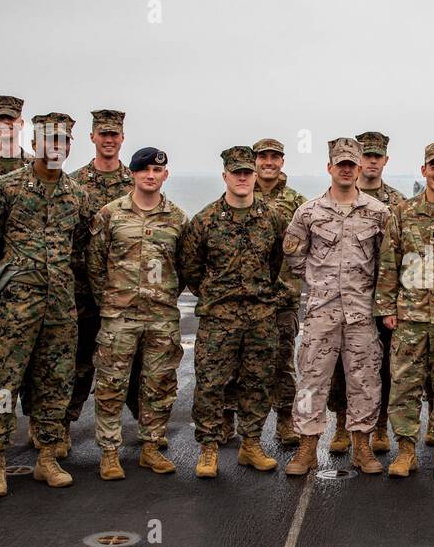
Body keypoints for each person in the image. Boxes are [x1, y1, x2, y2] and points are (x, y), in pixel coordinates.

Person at [0, 112, 93, 496]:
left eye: (63, 142)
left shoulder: (76, 196)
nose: (56, 148)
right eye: (49, 141)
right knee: (4, 384)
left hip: (60, 306)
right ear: (37, 143)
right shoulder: (6, 190)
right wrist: (13, 279)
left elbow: (81, 248)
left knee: (55, 381)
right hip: (16, 307)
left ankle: (46, 456)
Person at [179, 146, 290, 478]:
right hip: (218, 319)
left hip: (260, 317)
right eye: (236, 173)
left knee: (257, 382)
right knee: (211, 384)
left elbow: (277, 264)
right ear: (225, 176)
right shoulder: (204, 220)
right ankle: (209, 449)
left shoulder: (272, 218)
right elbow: (191, 269)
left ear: (255, 177)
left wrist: (260, 295)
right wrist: (217, 296)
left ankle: (251, 443)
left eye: (248, 173)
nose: (242, 178)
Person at [282, 138, 390, 476]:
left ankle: (362, 447)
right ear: (329, 168)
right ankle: (306, 449)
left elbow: (386, 262)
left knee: (365, 381)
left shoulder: (378, 213)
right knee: (311, 382)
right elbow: (294, 256)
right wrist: (318, 283)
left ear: (359, 169)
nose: (345, 169)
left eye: (351, 165)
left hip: (361, 315)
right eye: (339, 164)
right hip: (321, 314)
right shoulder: (309, 212)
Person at [86, 147, 188, 479]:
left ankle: (150, 446)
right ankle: (110, 452)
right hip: (119, 315)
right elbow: (95, 264)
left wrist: (166, 294)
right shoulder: (110, 214)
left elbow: (185, 267)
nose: (150, 175)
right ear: (132, 174)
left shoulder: (177, 219)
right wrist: (113, 298)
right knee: (111, 384)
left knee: (158, 384)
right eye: (143, 169)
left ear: (165, 175)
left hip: (161, 316)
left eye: (157, 171)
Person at [375, 141, 434, 477]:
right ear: (424, 171)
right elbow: (390, 262)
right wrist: (386, 306)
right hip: (411, 317)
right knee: (404, 384)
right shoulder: (402, 212)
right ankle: (405, 451)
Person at [325, 130, 407, 454]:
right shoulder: (341, 199)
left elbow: (401, 255)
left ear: (385, 160)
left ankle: (381, 425)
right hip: (347, 298)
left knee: (385, 366)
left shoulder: (398, 203)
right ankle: (343, 425)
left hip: (383, 301)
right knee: (341, 367)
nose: (371, 162)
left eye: (377, 156)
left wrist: (395, 300)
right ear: (357, 162)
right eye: (366, 156)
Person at [65, 109, 138, 456]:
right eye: (103, 134)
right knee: (77, 361)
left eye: (115, 134)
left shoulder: (134, 182)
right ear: (92, 138)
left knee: (133, 363)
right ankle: (60, 427)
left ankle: (147, 428)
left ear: (122, 138)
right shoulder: (74, 183)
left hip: (124, 292)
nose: (109, 140)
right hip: (81, 291)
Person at [253, 137, 307, 448]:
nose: (269, 162)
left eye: (275, 156)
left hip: (283, 296)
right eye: (263, 157)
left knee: (283, 361)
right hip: (247, 296)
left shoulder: (296, 202)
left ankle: (286, 419)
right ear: (255, 161)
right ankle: (232, 419)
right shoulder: (240, 191)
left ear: (282, 161)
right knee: (242, 361)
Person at [0, 94, 31, 175]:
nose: (6, 122)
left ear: (22, 124)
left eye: (12, 117)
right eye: (0, 118)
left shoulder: (35, 166)